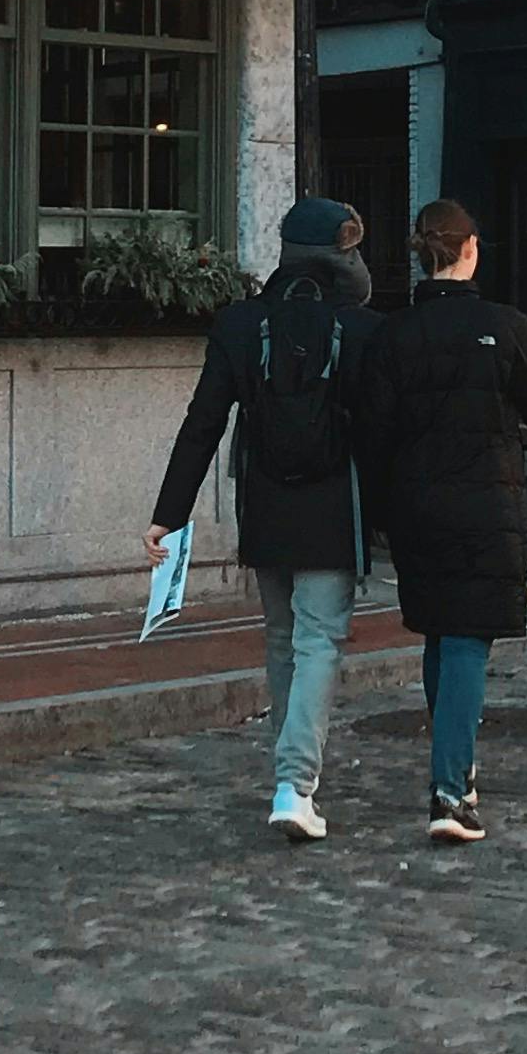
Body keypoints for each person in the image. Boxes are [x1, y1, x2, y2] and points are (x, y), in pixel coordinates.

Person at [146, 194, 378, 843]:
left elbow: (203, 423)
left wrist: (169, 513)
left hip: (266, 503)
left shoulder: (241, 323)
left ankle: (290, 779)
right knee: (319, 640)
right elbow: (387, 432)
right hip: (334, 508)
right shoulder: (363, 328)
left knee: (282, 638)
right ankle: (295, 784)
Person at [358, 196, 527, 845]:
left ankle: (458, 770)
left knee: (441, 631)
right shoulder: (504, 326)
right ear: (471, 249)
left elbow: (372, 432)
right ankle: (451, 790)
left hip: (417, 506)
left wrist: (378, 510)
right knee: (465, 640)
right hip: (486, 503)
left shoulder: (392, 334)